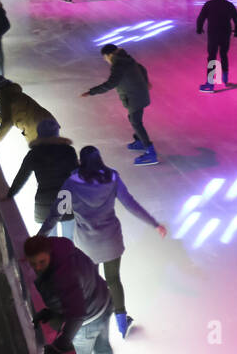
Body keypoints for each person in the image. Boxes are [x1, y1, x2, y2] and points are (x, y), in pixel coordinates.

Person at [39, 146, 168, 340]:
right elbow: (130, 204)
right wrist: (154, 223)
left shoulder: (71, 183)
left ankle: (87, 320)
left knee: (89, 282)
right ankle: (122, 323)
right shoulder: (112, 177)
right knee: (113, 279)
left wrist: (40, 236)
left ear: (81, 161)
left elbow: (55, 214)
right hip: (110, 240)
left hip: (86, 245)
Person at [24, 235, 121, 354]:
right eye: (33, 263)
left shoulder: (63, 274)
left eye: (42, 262)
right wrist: (52, 312)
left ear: (49, 253)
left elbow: (76, 314)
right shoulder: (65, 250)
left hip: (88, 319)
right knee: (103, 348)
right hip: (103, 302)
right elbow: (74, 292)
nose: (37, 267)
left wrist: (60, 344)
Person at [81, 45, 157, 166]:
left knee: (136, 122)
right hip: (138, 94)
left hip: (134, 97)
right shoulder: (126, 58)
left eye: (105, 57)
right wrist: (145, 81)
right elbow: (142, 68)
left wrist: (91, 92)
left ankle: (150, 152)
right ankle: (140, 141)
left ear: (110, 55)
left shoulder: (118, 65)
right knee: (133, 119)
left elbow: (111, 83)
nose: (105, 60)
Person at [6, 119, 78, 239]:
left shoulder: (34, 154)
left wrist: (10, 194)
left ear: (39, 133)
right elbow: (77, 175)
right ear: (56, 133)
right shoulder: (68, 151)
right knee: (68, 240)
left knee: (49, 242)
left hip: (44, 205)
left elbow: (21, 177)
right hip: (66, 202)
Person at [197, 0, 237, 91]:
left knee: (212, 57)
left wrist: (199, 28)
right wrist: (236, 32)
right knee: (224, 55)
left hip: (213, 34)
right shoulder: (229, 5)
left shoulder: (209, 4)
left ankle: (210, 84)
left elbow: (201, 18)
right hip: (225, 34)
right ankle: (225, 80)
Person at [0, 75, 55, 143]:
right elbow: (7, 114)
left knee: (45, 149)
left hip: (36, 128)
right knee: (55, 146)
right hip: (48, 120)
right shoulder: (15, 92)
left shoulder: (4, 98)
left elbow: (7, 121)